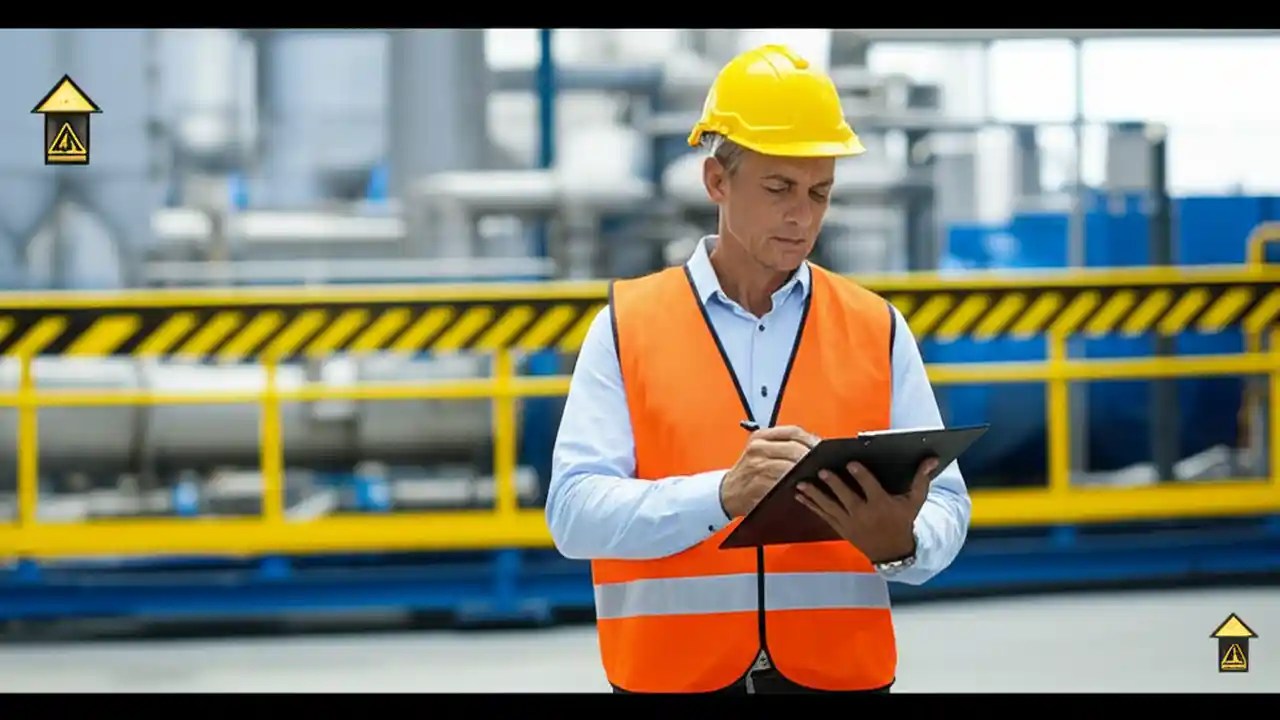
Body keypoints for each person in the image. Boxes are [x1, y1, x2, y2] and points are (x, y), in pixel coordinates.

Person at [544, 43, 971, 695]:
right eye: (779, 189)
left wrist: (902, 543)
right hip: (674, 678)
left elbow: (946, 502)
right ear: (717, 181)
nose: (802, 215)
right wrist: (721, 496)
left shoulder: (874, 326)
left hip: (837, 678)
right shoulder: (628, 324)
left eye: (819, 192)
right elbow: (574, 513)